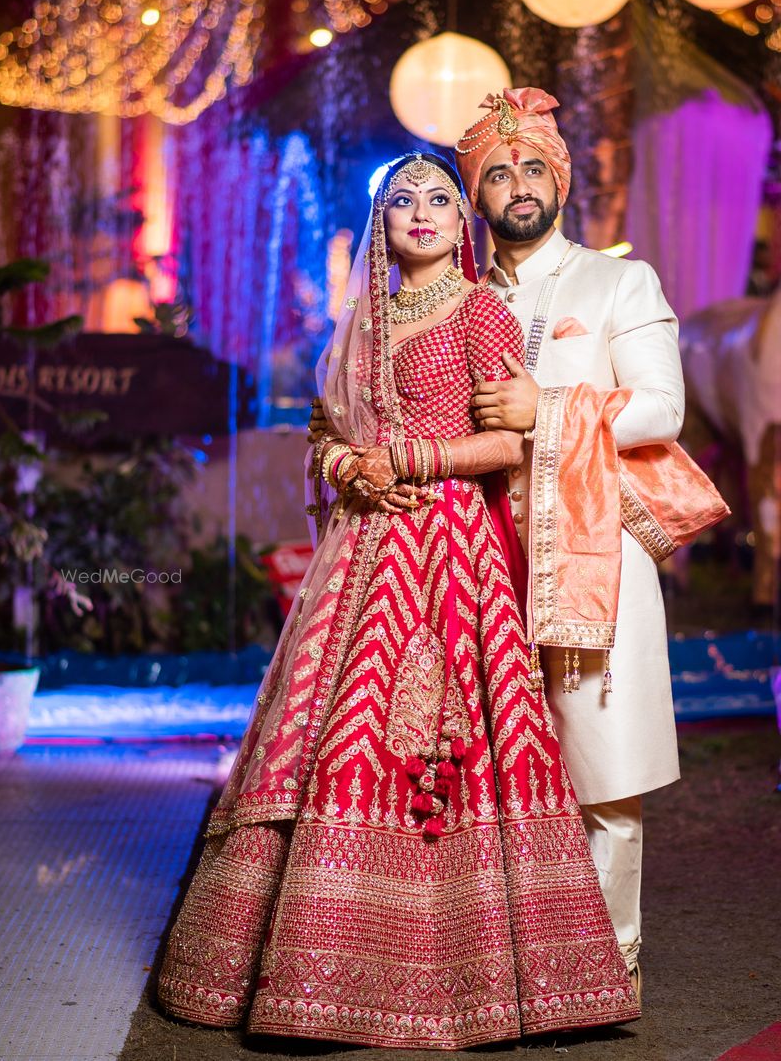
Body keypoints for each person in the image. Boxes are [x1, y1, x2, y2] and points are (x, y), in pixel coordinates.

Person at [158, 151, 640, 1048]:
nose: (421, 212)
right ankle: (321, 973)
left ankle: (483, 979)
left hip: (453, 549)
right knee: (334, 728)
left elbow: (508, 445)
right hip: (362, 549)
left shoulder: (480, 310)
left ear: (463, 225)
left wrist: (413, 459)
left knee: (447, 735)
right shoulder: (360, 323)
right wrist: (349, 465)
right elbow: (322, 431)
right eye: (402, 201)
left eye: (440, 200)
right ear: (380, 226)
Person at [453, 86, 726, 999]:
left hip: (592, 558)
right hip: (478, 561)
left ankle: (610, 968)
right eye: (499, 174)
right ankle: (506, 967)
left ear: (560, 181)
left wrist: (547, 409)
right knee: (490, 771)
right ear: (476, 196)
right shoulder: (457, 300)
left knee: (603, 772)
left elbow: (661, 410)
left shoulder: (619, 282)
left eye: (534, 167)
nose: (519, 185)